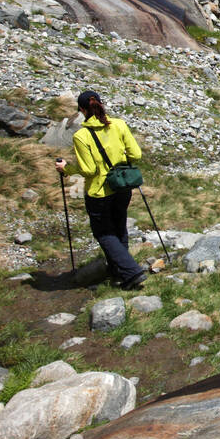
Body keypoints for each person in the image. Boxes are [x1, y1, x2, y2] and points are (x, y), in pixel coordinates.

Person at [56, 90, 148, 291]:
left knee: (104, 233)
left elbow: (88, 170)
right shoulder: (119, 125)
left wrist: (67, 169)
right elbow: (136, 154)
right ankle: (121, 274)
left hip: (99, 192)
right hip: (122, 186)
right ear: (100, 104)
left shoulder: (81, 135)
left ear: (82, 110)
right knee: (119, 226)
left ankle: (132, 271)